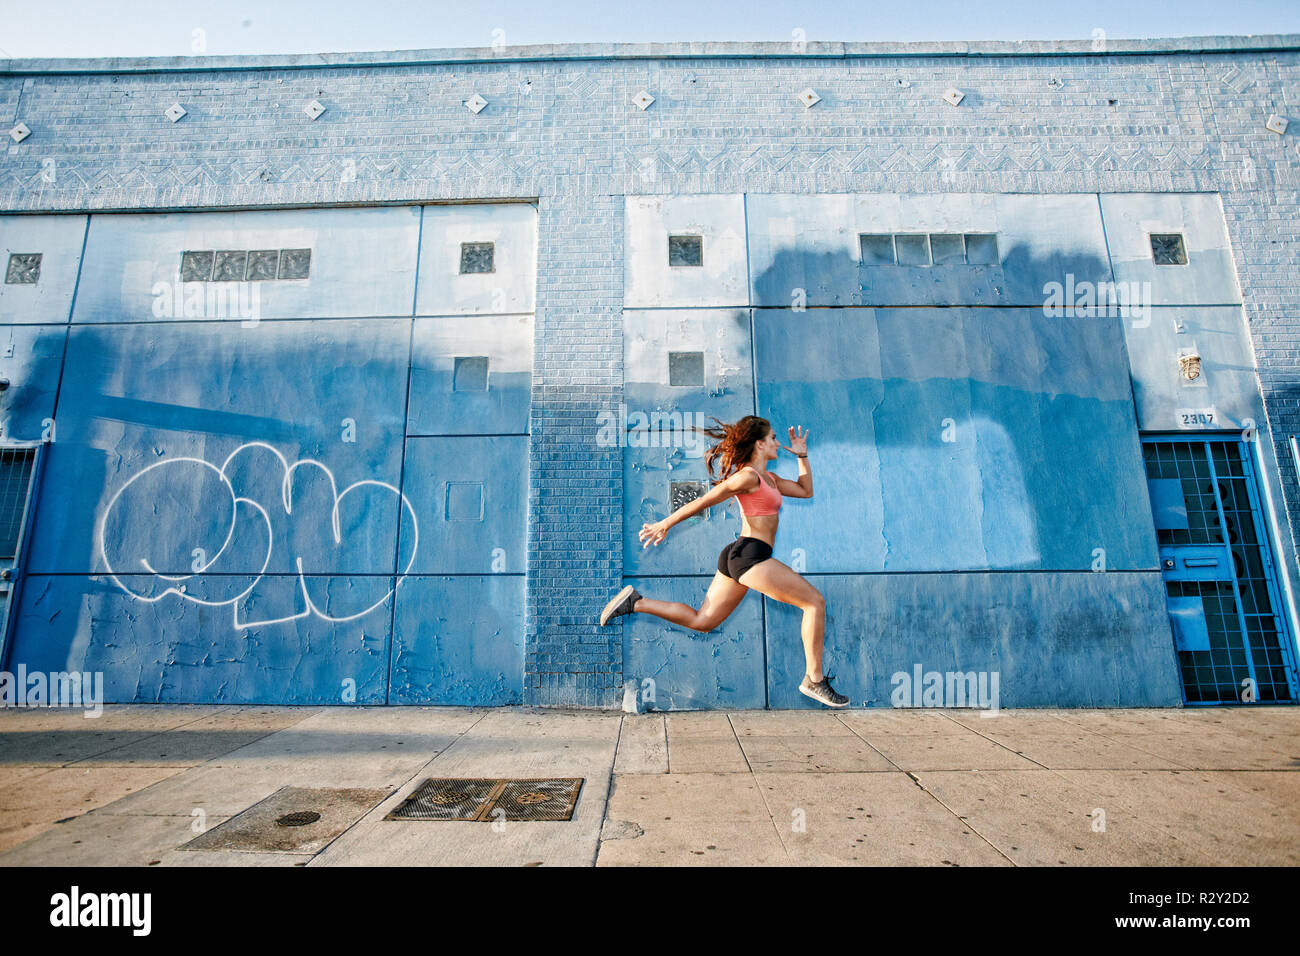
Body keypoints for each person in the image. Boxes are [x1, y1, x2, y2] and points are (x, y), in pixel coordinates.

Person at [598, 415, 848, 707]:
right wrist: (665, 524)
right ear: (759, 443)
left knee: (703, 621)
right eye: (773, 438)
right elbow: (705, 499)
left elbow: (806, 491)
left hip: (740, 554)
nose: (778, 443)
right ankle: (814, 679)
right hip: (750, 554)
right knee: (814, 602)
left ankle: (635, 603)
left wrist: (802, 455)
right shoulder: (748, 477)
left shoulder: (771, 479)